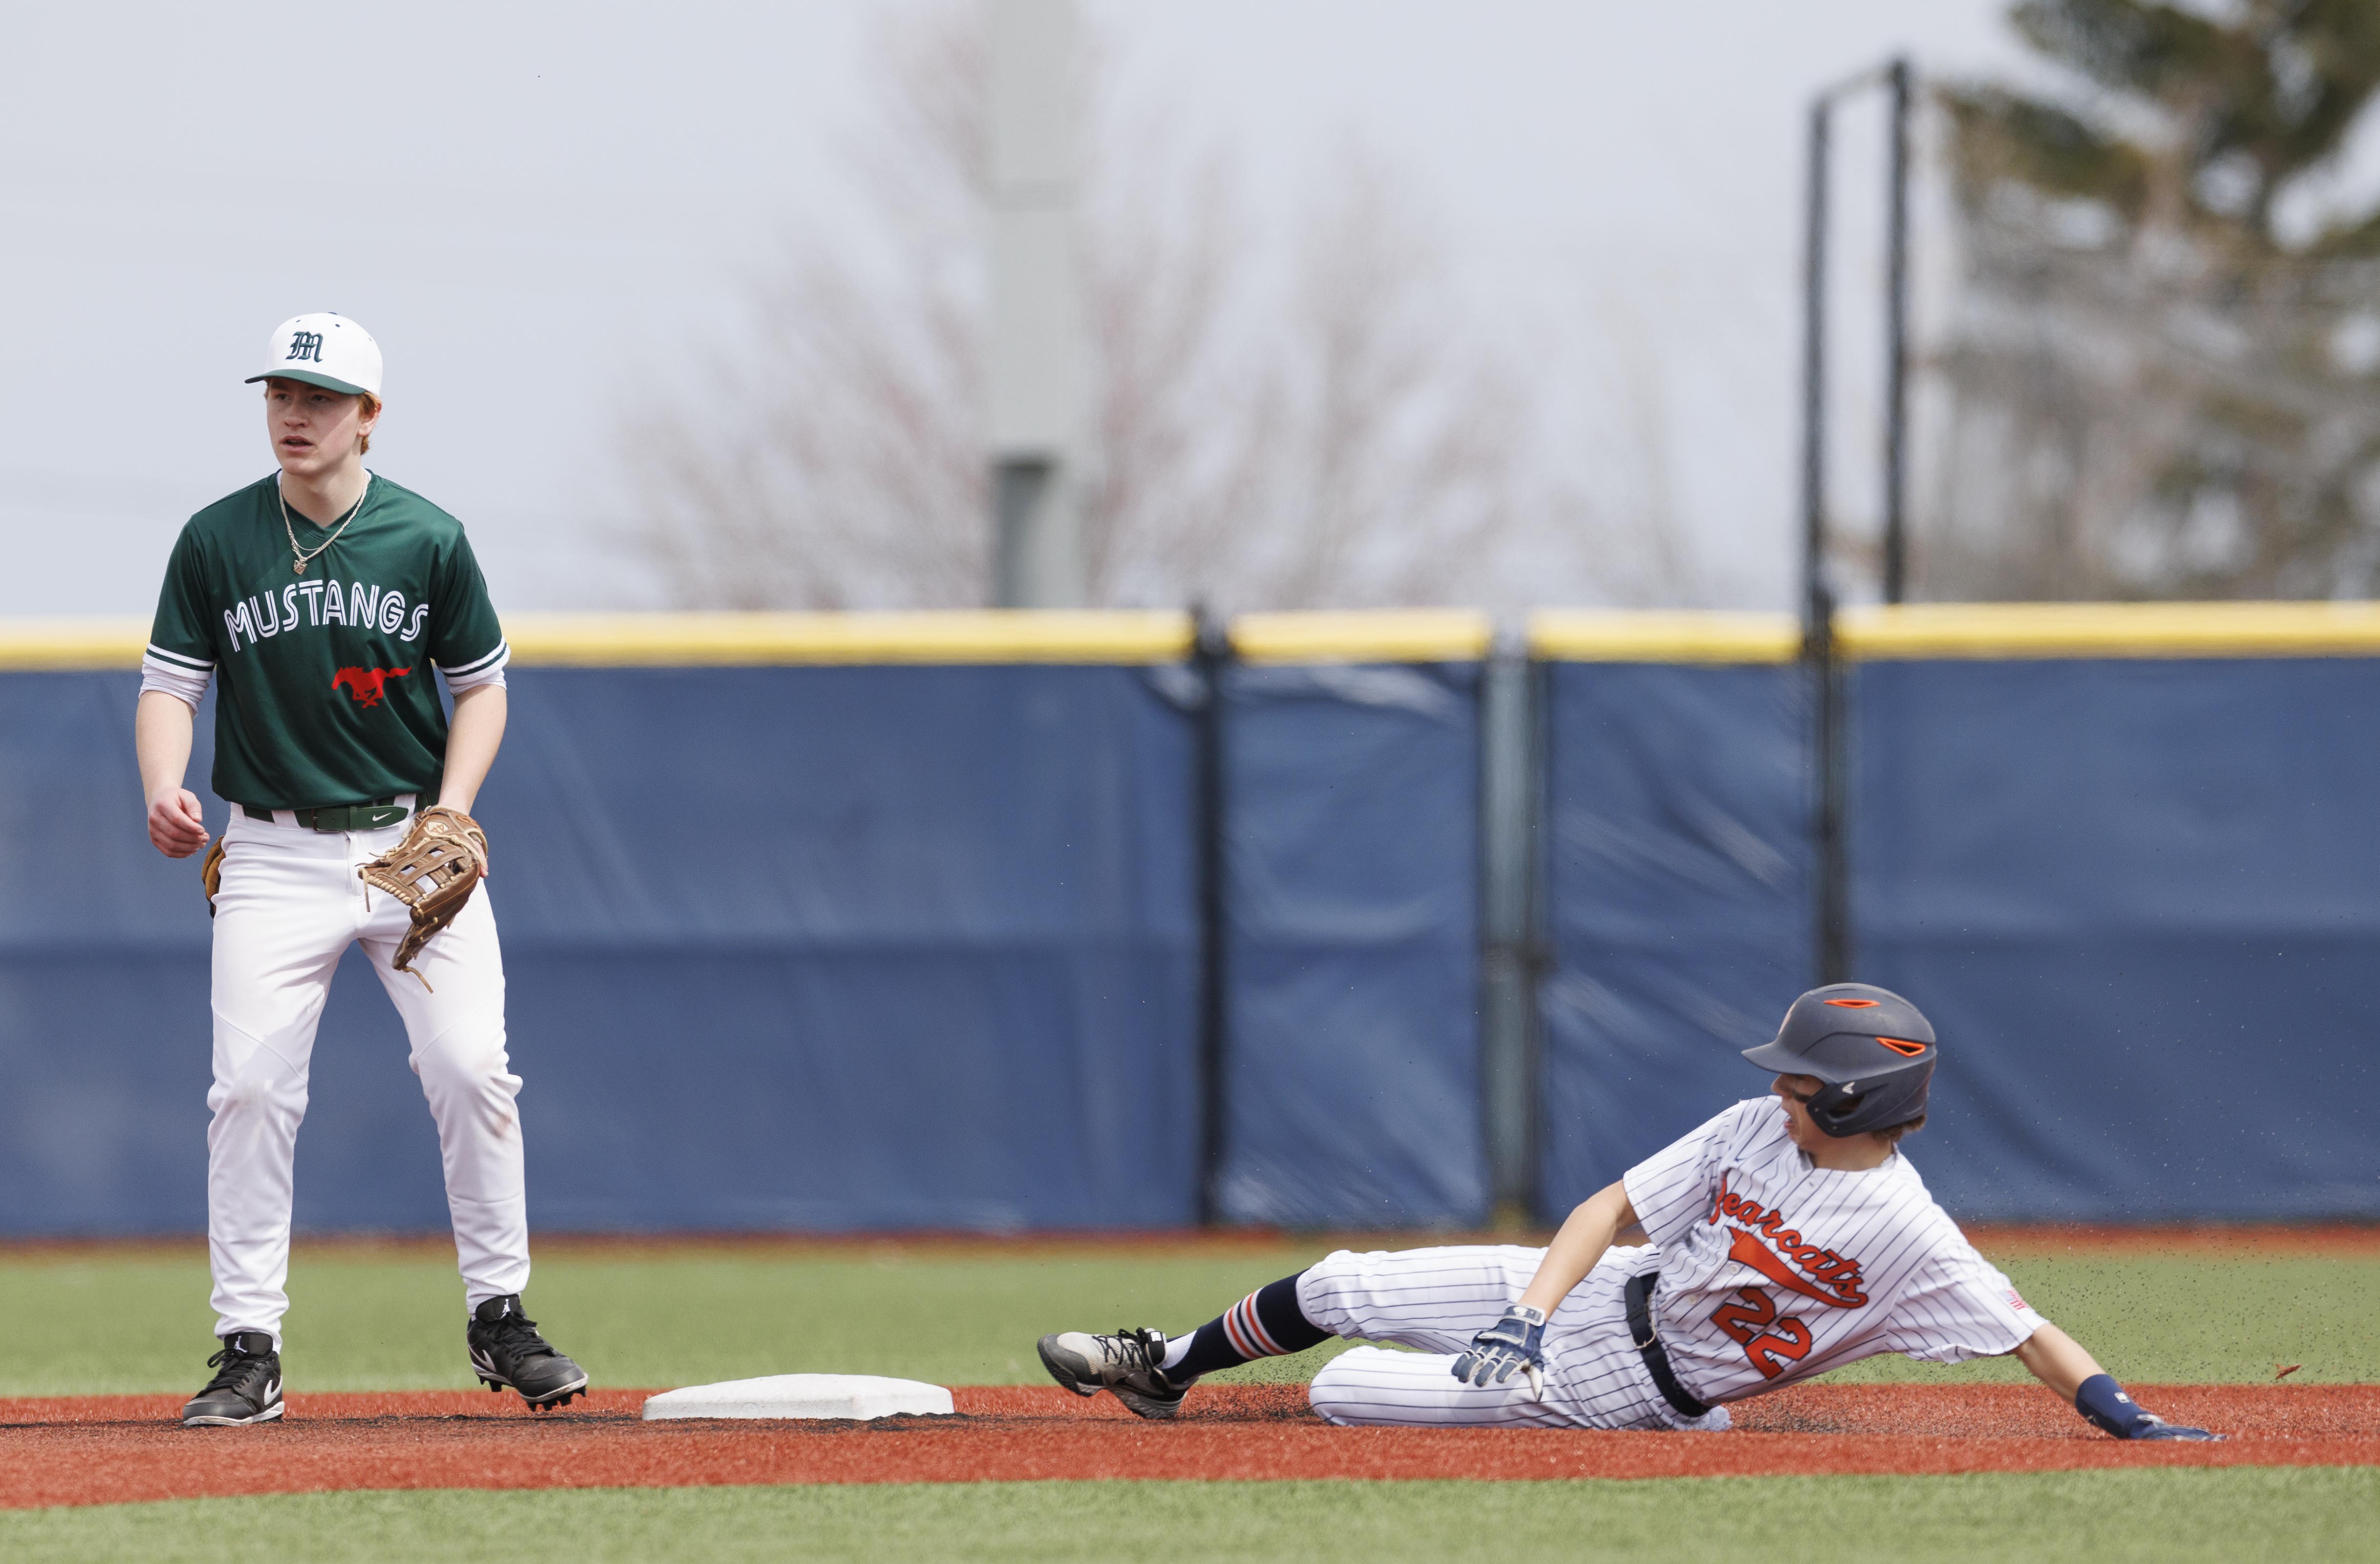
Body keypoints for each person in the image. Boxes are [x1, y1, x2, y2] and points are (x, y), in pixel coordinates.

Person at [1038, 984, 2216, 1441]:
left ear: (1857, 1097)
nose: (1781, 1087)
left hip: (1635, 1389)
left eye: (1803, 1078)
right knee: (1348, 1280)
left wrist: (2130, 1417)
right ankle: (1166, 1366)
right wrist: (1532, 1312)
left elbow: (2029, 1333)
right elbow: (1610, 1206)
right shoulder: (1756, 1127)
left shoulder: (1912, 1234)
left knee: (1347, 1386)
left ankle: (1668, 1424)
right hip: (1605, 1296)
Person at [137, 313, 584, 1427]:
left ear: (369, 416)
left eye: (321, 397)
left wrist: (454, 808)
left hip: (407, 848)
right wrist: (162, 781)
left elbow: (481, 685)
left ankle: (501, 1315)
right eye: (281, 394)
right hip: (272, 851)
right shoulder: (216, 538)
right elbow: (170, 684)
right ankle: (249, 1348)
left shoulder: (426, 537)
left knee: (472, 1069)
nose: (295, 414)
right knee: (248, 1092)